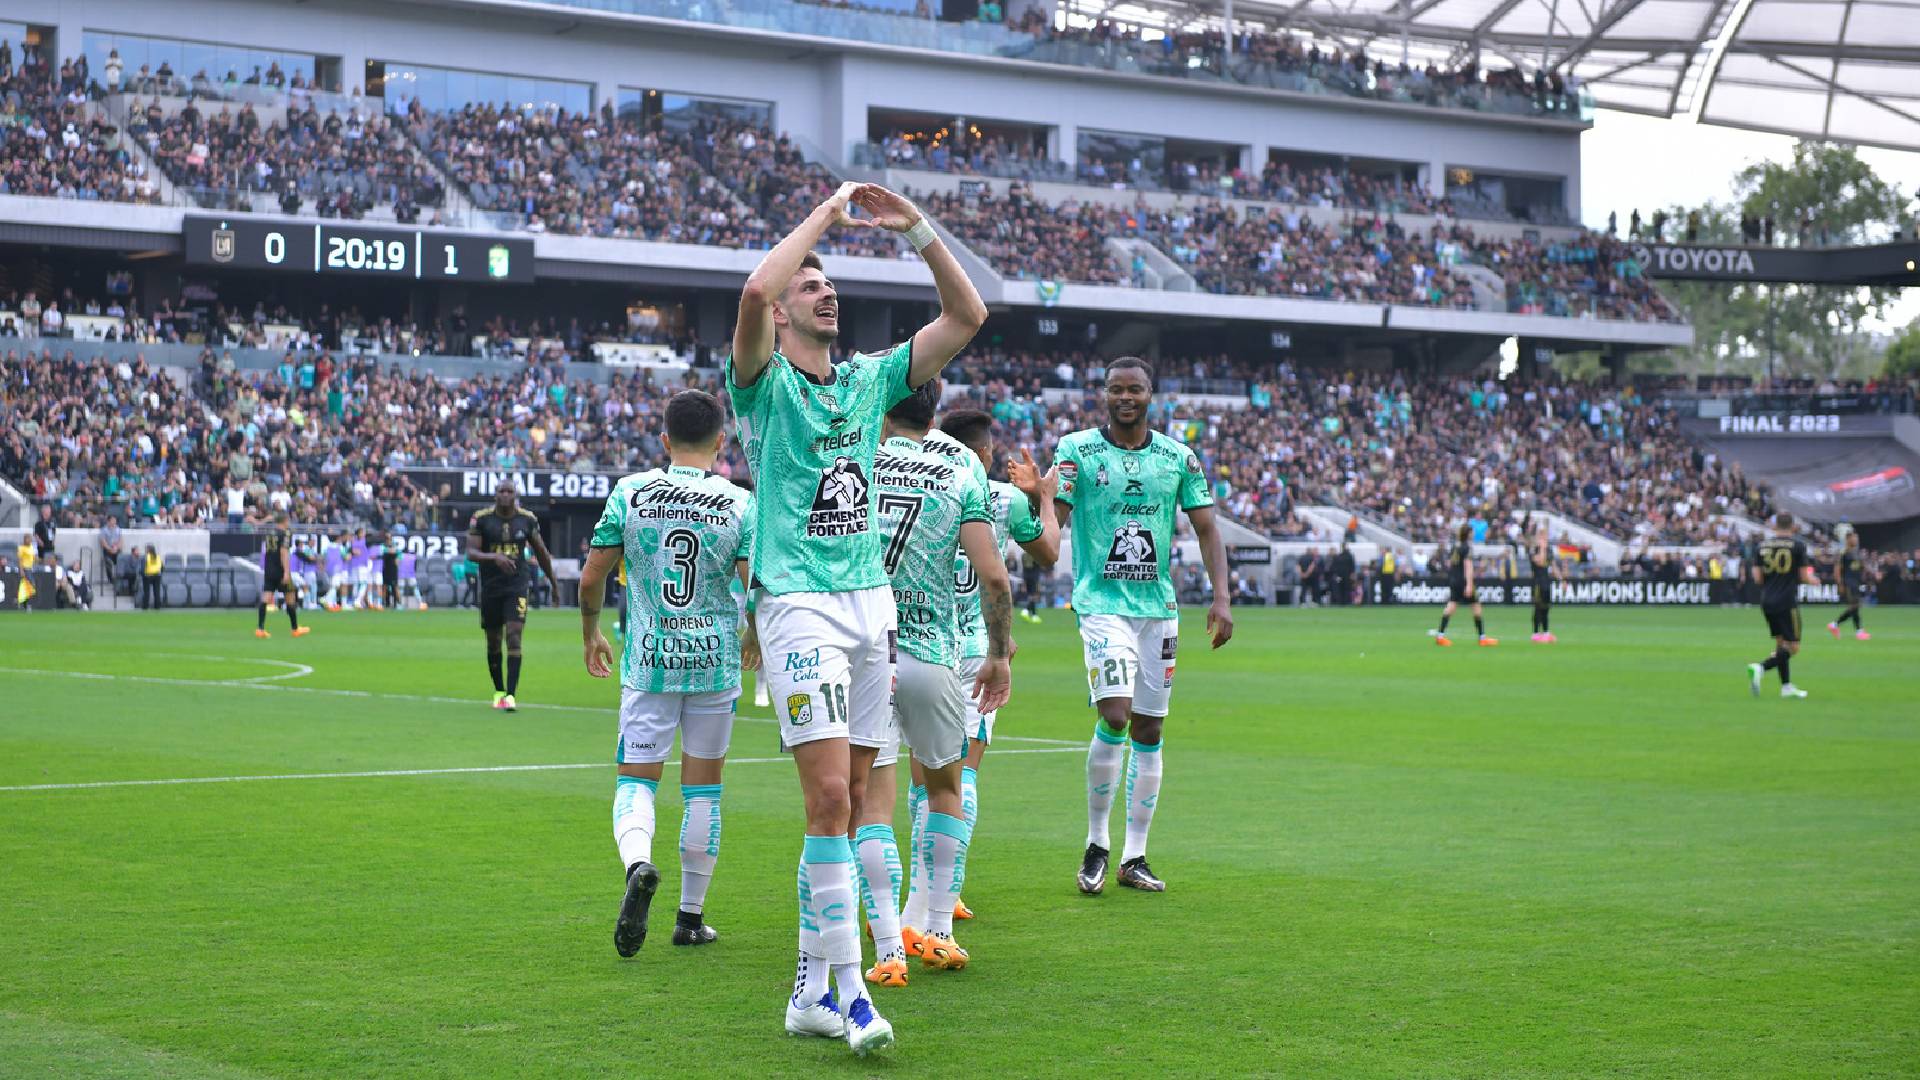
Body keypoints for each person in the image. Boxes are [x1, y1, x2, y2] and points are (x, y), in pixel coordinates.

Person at [729, 180, 984, 1055]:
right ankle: (852, 997)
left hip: (868, 603)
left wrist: (913, 228)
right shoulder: (761, 387)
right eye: (813, 284)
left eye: (829, 280)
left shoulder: (872, 380)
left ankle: (809, 992)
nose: (824, 289)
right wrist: (823, 218)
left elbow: (967, 314)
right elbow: (755, 291)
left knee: (847, 805)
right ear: (789, 314)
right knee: (831, 796)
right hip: (796, 602)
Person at [579, 389, 756, 958]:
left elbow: (591, 578)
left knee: (636, 781)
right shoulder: (740, 503)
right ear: (720, 443)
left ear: (664, 441)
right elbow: (755, 584)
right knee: (704, 789)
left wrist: (592, 631)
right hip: (714, 661)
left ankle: (638, 864)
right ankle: (690, 917)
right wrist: (753, 632)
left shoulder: (630, 493)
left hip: (651, 658)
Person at [851, 384, 1013, 989]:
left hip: (867, 651)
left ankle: (889, 947)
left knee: (870, 802)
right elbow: (993, 577)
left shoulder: (856, 459)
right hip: (932, 652)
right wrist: (998, 654)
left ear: (886, 405)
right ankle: (939, 930)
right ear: (933, 408)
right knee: (946, 788)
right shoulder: (961, 469)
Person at [1055, 356, 1234, 896]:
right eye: (1116, 390)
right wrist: (1033, 512)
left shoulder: (1178, 457)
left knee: (1150, 730)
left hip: (1158, 609)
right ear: (1103, 394)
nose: (1125, 398)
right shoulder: (1077, 450)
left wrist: (1221, 598)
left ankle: (1135, 856)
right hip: (1101, 603)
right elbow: (1055, 517)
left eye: (1134, 390)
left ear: (1151, 394)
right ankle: (1096, 843)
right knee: (1116, 712)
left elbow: (1207, 529)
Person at [894, 409, 1058, 940]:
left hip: (916, 642)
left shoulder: (921, 483)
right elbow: (1048, 553)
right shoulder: (1004, 499)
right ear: (985, 454)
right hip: (975, 649)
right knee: (961, 779)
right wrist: (1047, 499)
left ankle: (911, 907)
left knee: (922, 782)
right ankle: (935, 906)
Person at [468, 480, 555, 711]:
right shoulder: (482, 518)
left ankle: (511, 695)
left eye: (510, 492)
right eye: (501, 491)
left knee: (514, 634)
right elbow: (471, 552)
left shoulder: (527, 519)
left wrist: (553, 584)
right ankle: (498, 690)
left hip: (517, 585)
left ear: (516, 495)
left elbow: (542, 553)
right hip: (491, 588)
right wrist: (494, 557)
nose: (505, 495)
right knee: (494, 640)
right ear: (495, 495)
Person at [1748, 512, 1818, 699]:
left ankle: (1786, 687)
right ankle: (1761, 668)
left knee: (1781, 645)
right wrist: (1813, 580)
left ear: (1774, 526)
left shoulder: (1761, 546)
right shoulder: (1798, 546)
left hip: (1767, 600)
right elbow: (1804, 577)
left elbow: (1757, 578)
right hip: (1787, 601)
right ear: (1793, 527)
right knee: (1793, 647)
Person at [1431, 524, 1494, 646]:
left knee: (1451, 606)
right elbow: (1468, 566)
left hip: (1454, 580)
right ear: (1469, 533)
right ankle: (1482, 638)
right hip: (1464, 581)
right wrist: (1469, 584)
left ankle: (1440, 636)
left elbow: (1450, 563)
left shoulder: (1455, 546)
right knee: (1476, 607)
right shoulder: (1467, 547)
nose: (1474, 533)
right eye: (1472, 532)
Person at [256, 517, 310, 639]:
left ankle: (260, 628)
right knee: (290, 596)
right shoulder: (285, 534)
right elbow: (284, 552)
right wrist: (286, 572)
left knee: (266, 597)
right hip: (280, 570)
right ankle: (295, 629)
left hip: (269, 569)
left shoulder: (270, 534)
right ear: (284, 521)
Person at [1827, 531, 1870, 641]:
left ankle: (1835, 625)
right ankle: (1859, 631)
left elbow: (1860, 567)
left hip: (1856, 583)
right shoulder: (1843, 553)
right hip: (1848, 582)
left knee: (1855, 607)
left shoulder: (1856, 553)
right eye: (1854, 538)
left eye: (1857, 538)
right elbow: (1837, 569)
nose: (1856, 540)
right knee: (1855, 606)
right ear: (1848, 539)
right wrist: (1840, 584)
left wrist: (1864, 573)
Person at [1527, 519, 1561, 643]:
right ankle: (1535, 634)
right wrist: (1542, 547)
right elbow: (1540, 562)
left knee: (1546, 608)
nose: (1544, 537)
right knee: (1537, 607)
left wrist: (1561, 580)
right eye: (1542, 534)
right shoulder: (1534, 549)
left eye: (1545, 535)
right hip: (1537, 583)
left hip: (1546, 582)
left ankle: (1546, 633)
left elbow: (1553, 565)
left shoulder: (1549, 550)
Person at [141, 544, 164, 609]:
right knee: (157, 592)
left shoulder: (145, 557)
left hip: (147, 575)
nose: (145, 550)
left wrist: (143, 574)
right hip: (157, 575)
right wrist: (159, 573)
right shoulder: (158, 557)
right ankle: (157, 606)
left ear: (148, 550)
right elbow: (162, 567)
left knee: (146, 592)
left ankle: (145, 606)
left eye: (146, 549)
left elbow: (142, 567)